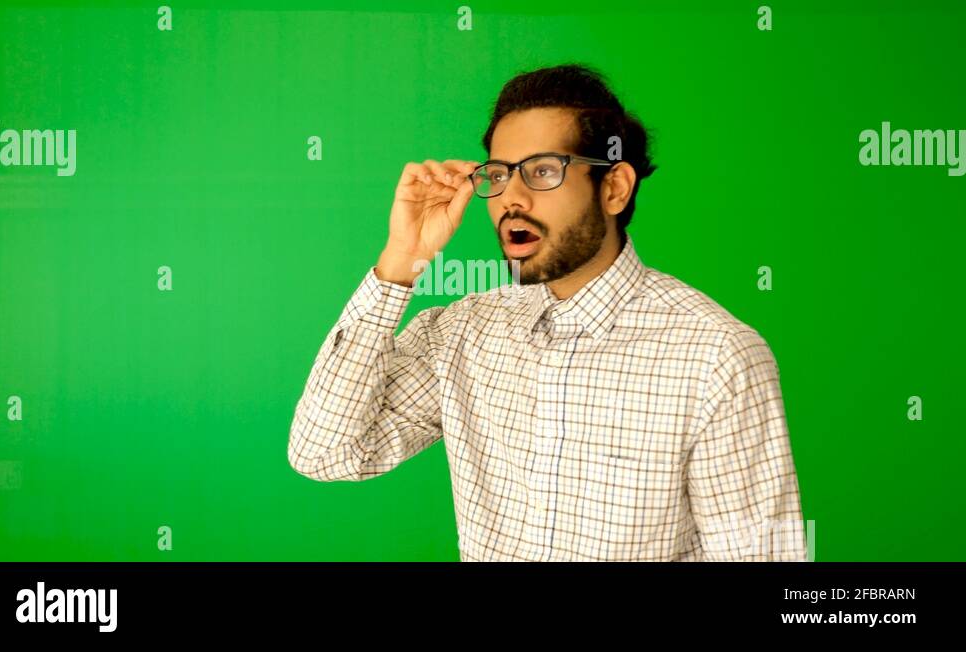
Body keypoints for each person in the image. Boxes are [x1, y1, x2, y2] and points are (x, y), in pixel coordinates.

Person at [287, 63, 807, 561]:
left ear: (613, 187)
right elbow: (324, 453)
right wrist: (402, 257)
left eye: (541, 171)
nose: (511, 198)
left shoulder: (717, 356)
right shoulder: (463, 332)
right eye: (499, 174)